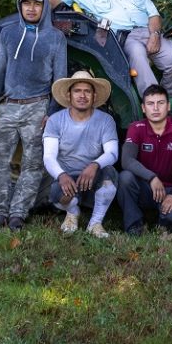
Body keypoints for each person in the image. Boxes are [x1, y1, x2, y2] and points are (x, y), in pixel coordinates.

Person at [0, 0, 67, 230]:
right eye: (26, 3)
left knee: (33, 162)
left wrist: (52, 112)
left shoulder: (56, 37)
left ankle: (18, 212)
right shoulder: (8, 34)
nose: (31, 8)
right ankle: (1, 210)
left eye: (37, 3)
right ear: (20, 6)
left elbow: (60, 80)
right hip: (8, 105)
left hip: (38, 106)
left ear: (44, 7)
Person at [43, 71, 119, 237]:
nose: (82, 96)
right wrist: (61, 175)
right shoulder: (55, 120)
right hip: (67, 177)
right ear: (69, 95)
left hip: (93, 177)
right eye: (77, 91)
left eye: (87, 91)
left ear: (94, 96)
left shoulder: (106, 120)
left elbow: (113, 153)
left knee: (110, 173)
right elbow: (48, 156)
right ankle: (72, 212)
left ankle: (95, 223)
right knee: (57, 195)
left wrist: (95, 165)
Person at [117, 84, 172, 235]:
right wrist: (151, 177)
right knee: (125, 177)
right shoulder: (136, 127)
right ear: (143, 108)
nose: (156, 108)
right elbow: (126, 160)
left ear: (168, 106)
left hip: (170, 188)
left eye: (161, 103)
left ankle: (163, 221)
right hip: (145, 187)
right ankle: (134, 224)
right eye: (150, 104)